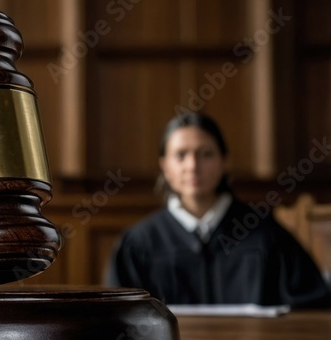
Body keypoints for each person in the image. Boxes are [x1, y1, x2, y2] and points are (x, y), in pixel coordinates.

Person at [106, 113, 331, 308]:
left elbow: (312, 308)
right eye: (181, 155)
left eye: (206, 154)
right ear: (164, 165)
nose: (193, 166)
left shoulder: (265, 235)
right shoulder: (138, 244)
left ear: (225, 161)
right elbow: (118, 318)